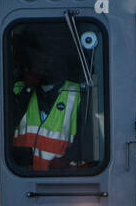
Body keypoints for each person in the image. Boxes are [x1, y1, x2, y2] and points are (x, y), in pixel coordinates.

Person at [10, 32, 83, 171]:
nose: (40, 65)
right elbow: (5, 127)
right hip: (21, 179)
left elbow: (88, 139)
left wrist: (68, 159)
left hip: (60, 181)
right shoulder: (17, 90)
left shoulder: (75, 94)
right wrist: (28, 88)